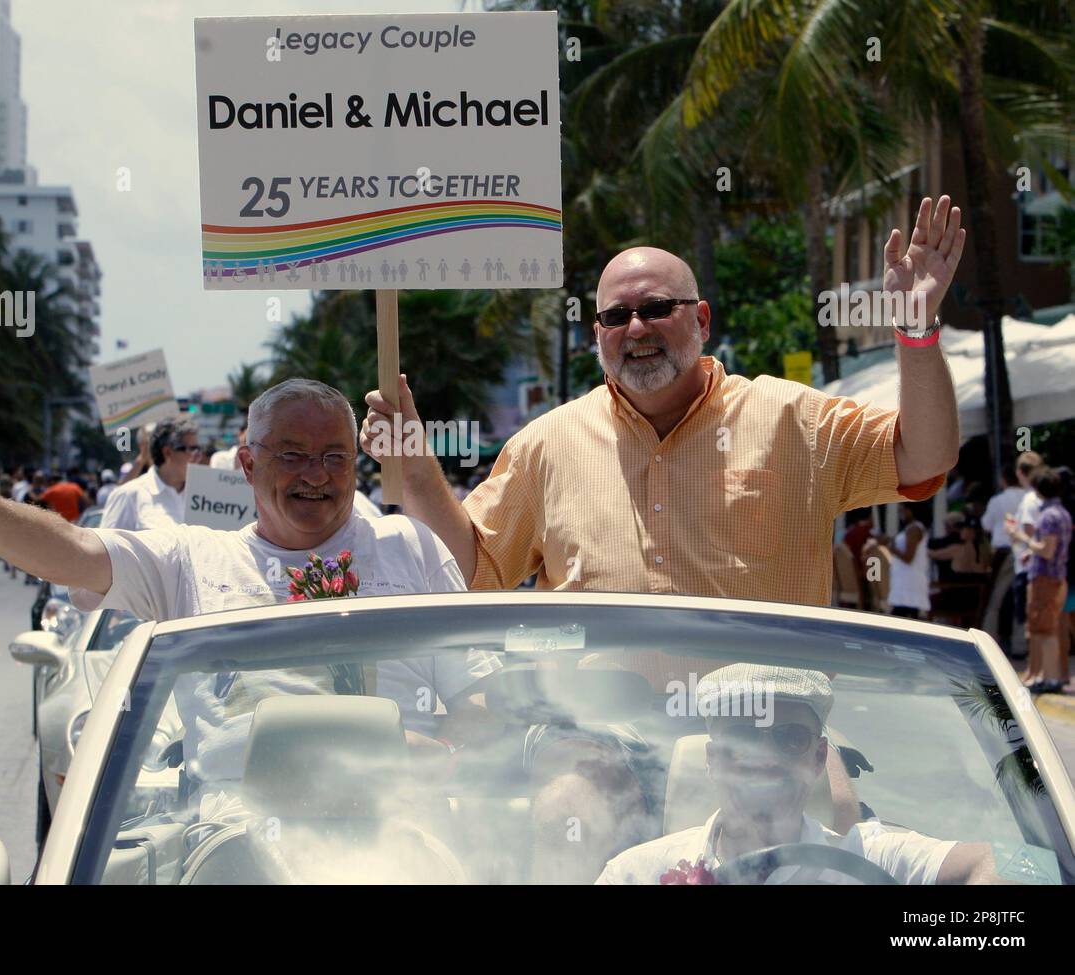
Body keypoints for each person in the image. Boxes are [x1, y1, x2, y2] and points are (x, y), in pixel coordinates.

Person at [363, 198, 963, 865]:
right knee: (570, 813)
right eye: (616, 316)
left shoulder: (794, 418)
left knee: (831, 814)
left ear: (701, 319)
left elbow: (926, 455)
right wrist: (415, 470)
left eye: (656, 308)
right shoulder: (546, 445)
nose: (636, 327)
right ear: (596, 336)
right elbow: (472, 569)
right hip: (592, 731)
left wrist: (916, 328)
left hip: (761, 726)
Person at [0, 378, 498, 785]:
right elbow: (73, 551)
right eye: (293, 454)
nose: (317, 473)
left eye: (335, 455)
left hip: (406, 835)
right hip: (231, 840)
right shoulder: (191, 561)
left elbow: (474, 695)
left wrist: (454, 768)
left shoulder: (408, 545)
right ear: (247, 464)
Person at [596, 664, 1002, 884]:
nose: (765, 759)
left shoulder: (867, 855)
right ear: (713, 759)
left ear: (817, 757)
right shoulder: (638, 873)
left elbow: (1017, 866)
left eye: (789, 739)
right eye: (742, 739)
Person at [1007, 466, 1072, 693]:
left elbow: (1047, 550)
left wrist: (1021, 537)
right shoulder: (1062, 512)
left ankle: (1049, 678)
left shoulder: (1047, 516)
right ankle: (1050, 677)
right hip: (1056, 577)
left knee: (1043, 630)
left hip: (1045, 578)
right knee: (1049, 628)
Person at [100, 416, 201, 531]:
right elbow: (106, 547)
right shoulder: (128, 495)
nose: (198, 456)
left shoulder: (205, 494)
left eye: (198, 449)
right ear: (167, 452)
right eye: (192, 449)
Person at [981, 464, 1027, 648]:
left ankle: (989, 643)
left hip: (1004, 552)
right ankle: (1020, 644)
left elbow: (986, 525)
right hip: (1025, 552)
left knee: (995, 600)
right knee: (1021, 599)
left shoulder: (998, 500)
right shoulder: (1028, 497)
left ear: (1004, 480)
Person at [1007, 452, 1045, 657]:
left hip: (1027, 566)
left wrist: (1014, 532)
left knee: (1031, 620)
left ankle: (1036, 668)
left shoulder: (1029, 499)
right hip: (1034, 566)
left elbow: (1032, 535)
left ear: (1020, 473)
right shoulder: (1039, 497)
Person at [874, 503, 930, 619]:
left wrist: (890, 546)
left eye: (903, 510)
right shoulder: (909, 529)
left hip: (910, 582)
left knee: (903, 616)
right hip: (903, 581)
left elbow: (908, 557)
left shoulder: (914, 529)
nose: (901, 513)